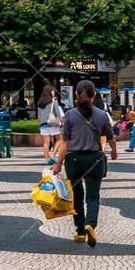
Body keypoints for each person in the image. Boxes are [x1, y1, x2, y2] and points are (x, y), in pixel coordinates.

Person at [52, 80, 116, 247]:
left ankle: (80, 232)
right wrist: (114, 152)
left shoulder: (70, 115)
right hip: (94, 159)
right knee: (93, 196)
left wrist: (58, 163)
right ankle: (90, 224)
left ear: (76, 94)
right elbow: (110, 138)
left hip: (73, 160)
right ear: (94, 95)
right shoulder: (102, 115)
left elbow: (64, 143)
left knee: (77, 197)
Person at [38, 85, 64, 165]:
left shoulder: (40, 102)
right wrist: (61, 121)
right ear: (50, 92)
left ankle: (46, 160)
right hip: (52, 124)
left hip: (43, 124)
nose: (54, 92)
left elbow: (39, 115)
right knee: (60, 139)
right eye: (53, 91)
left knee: (46, 143)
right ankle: (53, 154)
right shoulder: (53, 100)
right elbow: (57, 112)